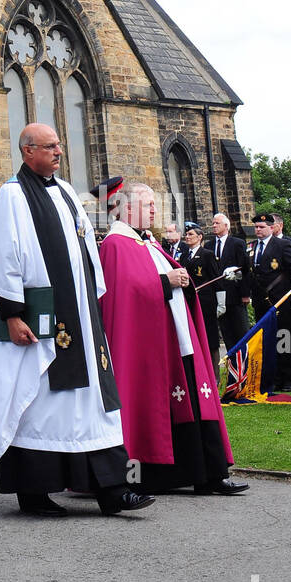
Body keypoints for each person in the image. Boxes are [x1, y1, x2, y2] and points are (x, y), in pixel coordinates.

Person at [0, 127, 150, 518]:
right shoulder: (13, 195)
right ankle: (34, 492)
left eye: (59, 145)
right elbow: (6, 255)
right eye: (50, 146)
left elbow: (86, 246)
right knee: (43, 403)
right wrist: (11, 314)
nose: (59, 151)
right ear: (27, 152)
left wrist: (95, 297)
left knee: (94, 402)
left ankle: (113, 490)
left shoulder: (67, 191)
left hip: (81, 316)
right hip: (44, 317)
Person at [99, 184, 246, 496]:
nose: (154, 211)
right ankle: (159, 476)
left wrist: (178, 280)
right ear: (128, 208)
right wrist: (165, 281)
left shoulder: (146, 242)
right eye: (149, 205)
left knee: (195, 397)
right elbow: (122, 293)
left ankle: (210, 474)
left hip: (177, 335)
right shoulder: (115, 244)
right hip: (152, 343)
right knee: (175, 402)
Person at [249, 212, 291, 393]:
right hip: (261, 302)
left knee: (285, 340)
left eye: (262, 227)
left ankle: (289, 378)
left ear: (272, 228)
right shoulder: (251, 248)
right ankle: (274, 377)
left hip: (281, 301)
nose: (258, 230)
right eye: (256, 227)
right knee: (268, 340)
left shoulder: (283, 245)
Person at [178, 225, 220, 379]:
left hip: (205, 301)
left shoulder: (207, 254)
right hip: (188, 301)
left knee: (210, 336)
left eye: (190, 234)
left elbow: (216, 278)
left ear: (200, 237)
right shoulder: (183, 256)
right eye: (186, 234)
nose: (187, 237)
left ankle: (214, 376)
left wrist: (220, 301)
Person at [209, 213, 251, 353]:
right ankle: (232, 367)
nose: (214, 226)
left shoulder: (237, 243)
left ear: (226, 226)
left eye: (217, 223)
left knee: (241, 332)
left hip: (235, 295)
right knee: (227, 334)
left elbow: (245, 270)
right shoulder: (209, 245)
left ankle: (245, 367)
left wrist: (245, 294)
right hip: (218, 297)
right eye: (213, 223)